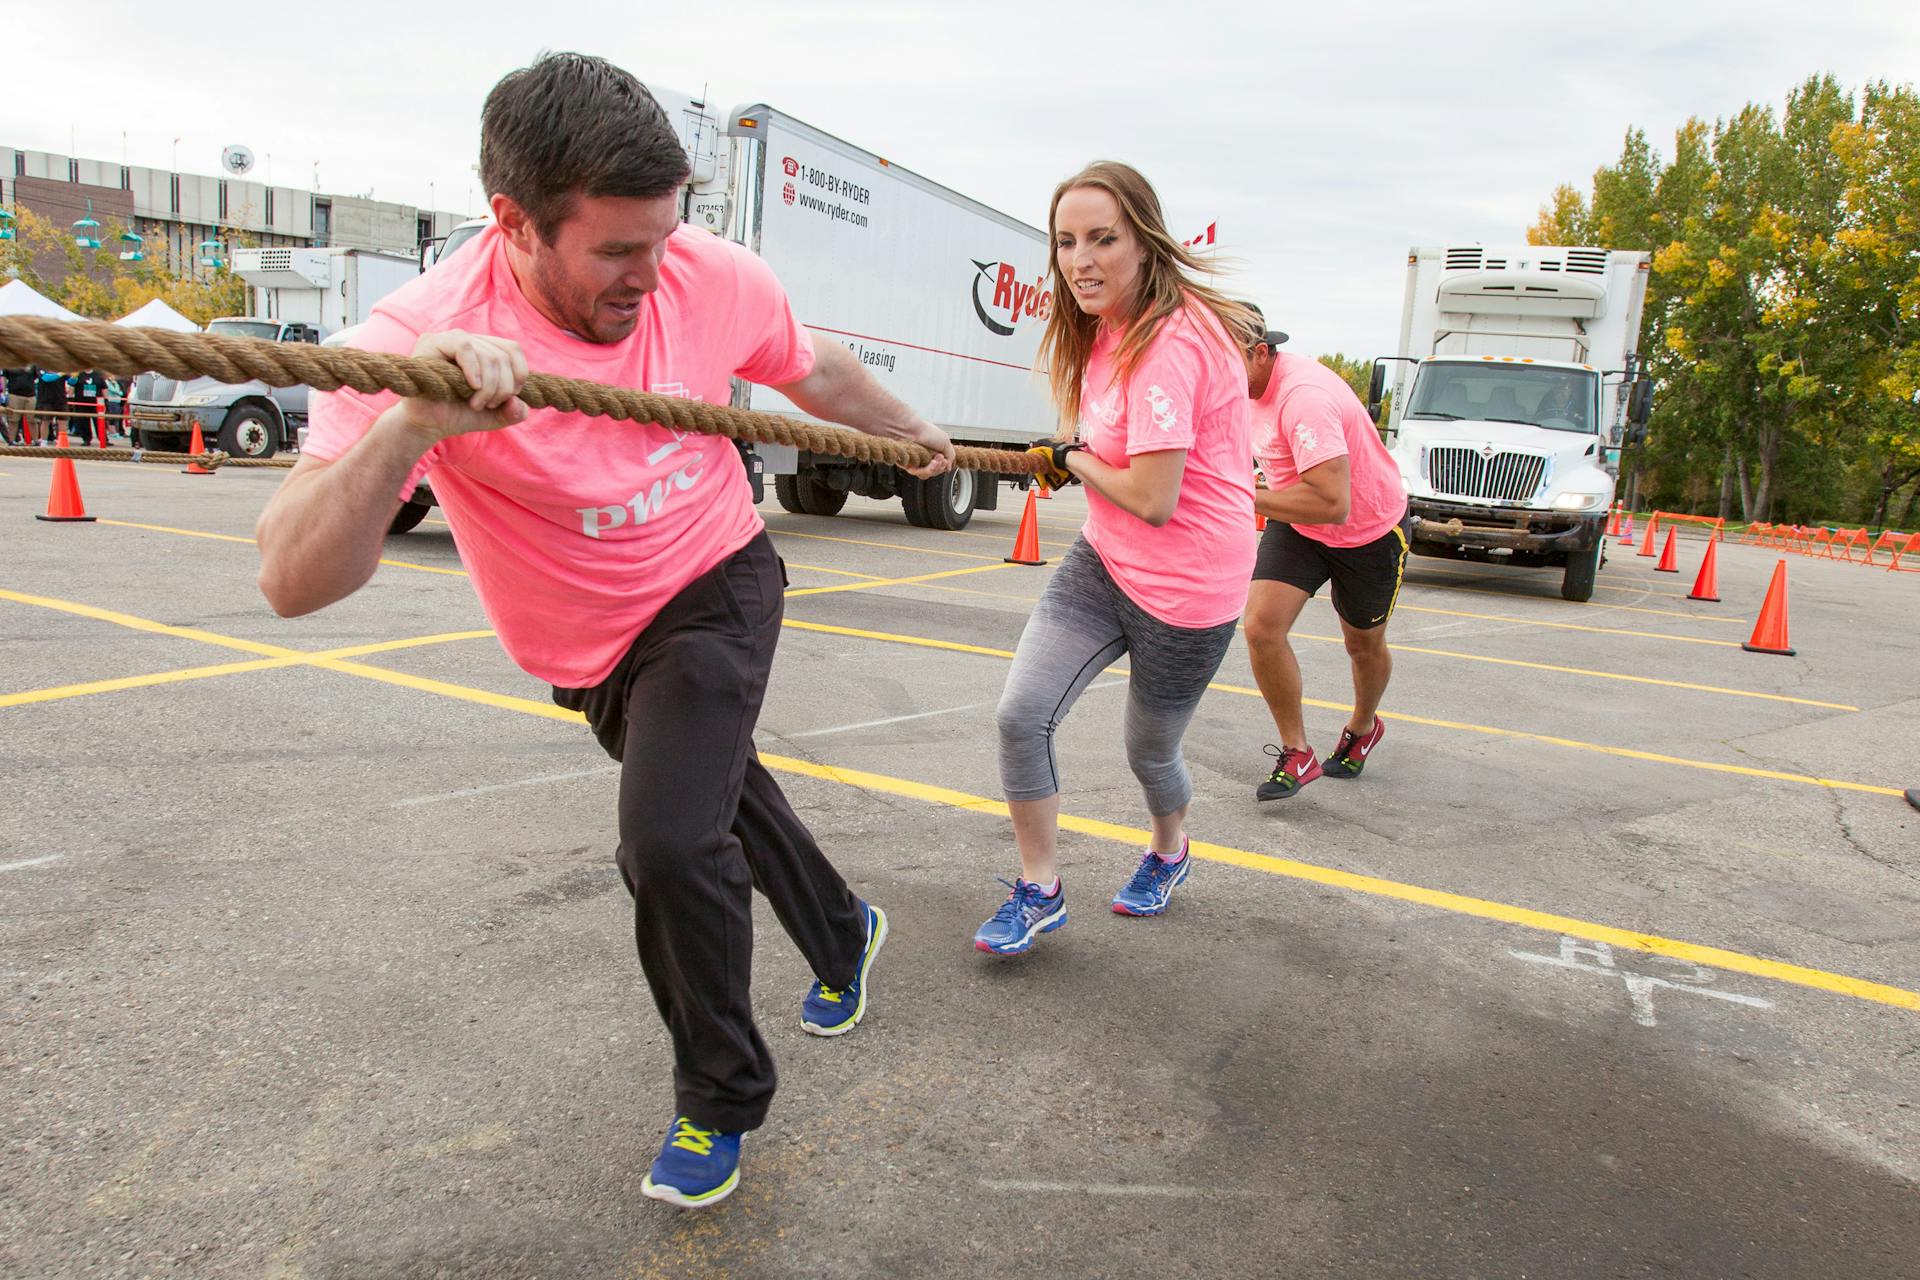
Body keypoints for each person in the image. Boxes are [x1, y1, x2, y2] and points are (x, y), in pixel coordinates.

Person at [253, 53, 956, 1211]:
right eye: (617, 251)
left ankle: (717, 1097)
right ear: (515, 224)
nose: (651, 274)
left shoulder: (707, 275)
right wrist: (415, 423)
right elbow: (290, 578)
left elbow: (808, 363)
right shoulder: (418, 336)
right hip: (588, 642)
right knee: (723, 794)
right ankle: (848, 929)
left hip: (715, 578)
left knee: (673, 842)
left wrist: (907, 430)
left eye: (664, 239)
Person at [972, 161, 1258, 956]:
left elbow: (1154, 495)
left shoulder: (1170, 342)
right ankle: (1040, 890)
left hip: (1189, 590)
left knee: (1149, 751)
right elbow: (1113, 462)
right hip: (1106, 563)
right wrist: (1080, 457)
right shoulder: (1109, 329)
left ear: (1144, 240)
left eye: (1103, 238)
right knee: (1020, 715)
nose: (1081, 259)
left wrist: (1072, 457)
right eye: (1066, 242)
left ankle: (1170, 850)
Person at [1239, 310, 1410, 799]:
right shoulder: (1238, 388)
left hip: (1367, 529)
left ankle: (1363, 727)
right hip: (1297, 523)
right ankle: (1298, 752)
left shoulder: (1304, 399)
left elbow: (1334, 503)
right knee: (1261, 627)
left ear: (1261, 351)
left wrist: (1241, 493)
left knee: (1363, 644)